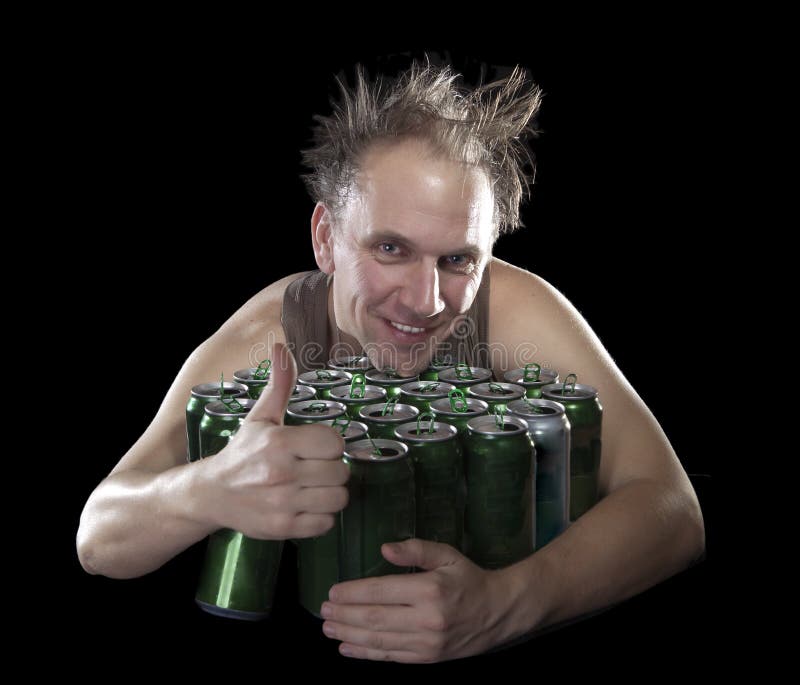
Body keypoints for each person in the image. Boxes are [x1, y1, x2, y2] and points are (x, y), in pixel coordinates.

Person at [76, 59, 705, 663]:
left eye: (459, 259)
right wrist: (207, 492)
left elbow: (673, 510)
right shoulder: (271, 334)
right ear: (324, 237)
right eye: (390, 248)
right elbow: (100, 536)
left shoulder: (516, 309)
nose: (426, 301)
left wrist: (507, 604)